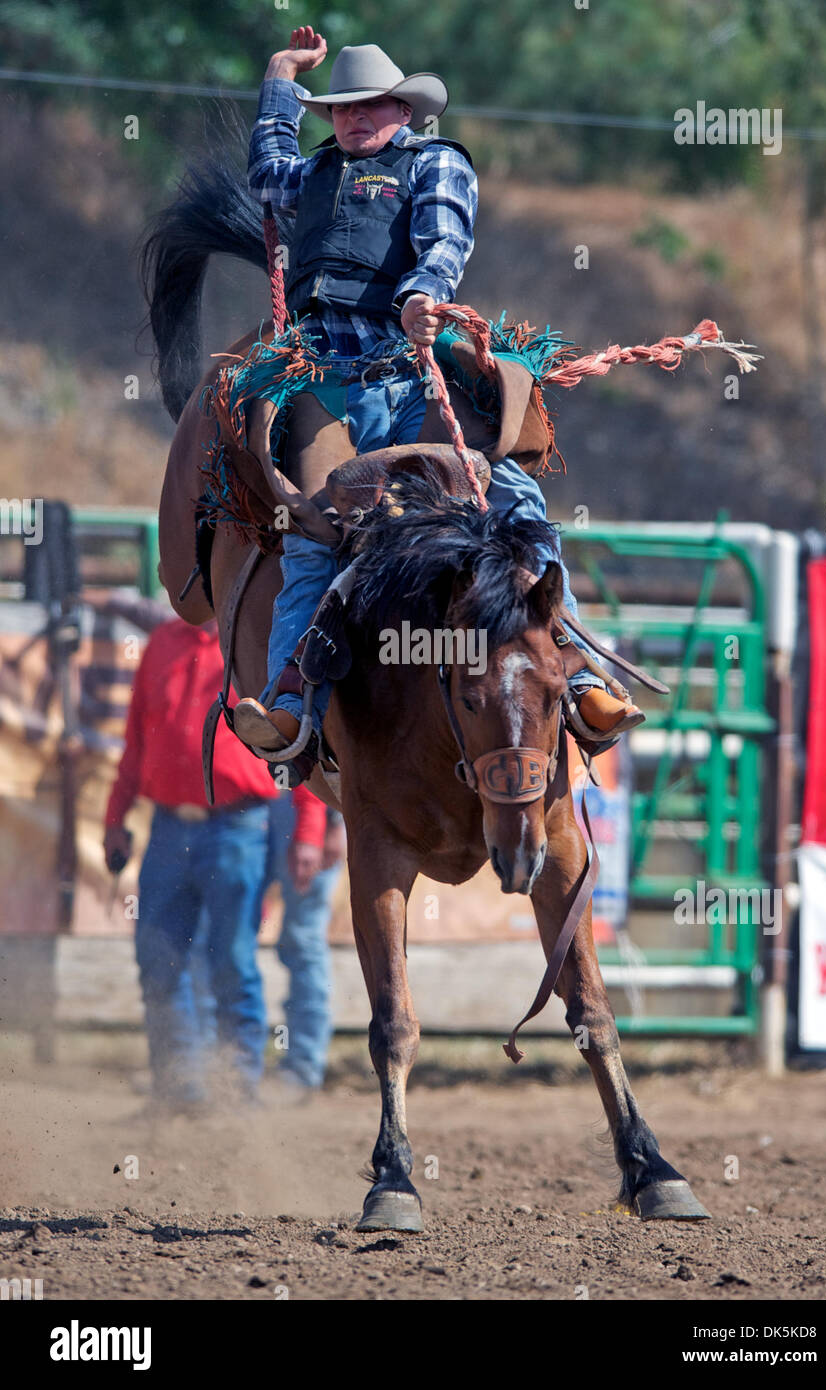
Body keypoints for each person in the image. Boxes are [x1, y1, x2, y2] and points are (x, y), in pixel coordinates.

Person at [232, 28, 643, 776]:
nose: (353, 120)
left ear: (402, 107)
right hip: (325, 388)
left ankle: (581, 675)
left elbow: (443, 242)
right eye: (341, 110)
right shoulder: (315, 173)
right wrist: (279, 79)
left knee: (513, 504)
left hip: (408, 377)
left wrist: (425, 293)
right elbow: (266, 174)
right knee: (310, 535)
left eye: (369, 107)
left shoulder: (434, 163)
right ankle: (291, 702)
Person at [103, 615, 278, 1111]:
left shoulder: (249, 638)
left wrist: (309, 829)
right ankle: (178, 1088)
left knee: (233, 961)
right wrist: (115, 819)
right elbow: (136, 737)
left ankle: (238, 1092)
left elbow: (292, 735)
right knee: (159, 958)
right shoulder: (162, 642)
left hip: (236, 824)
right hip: (168, 829)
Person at [267, 795, 344, 1091]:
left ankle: (303, 1067)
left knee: (303, 938)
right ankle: (227, 1064)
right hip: (251, 803)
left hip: (305, 804)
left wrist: (333, 821)